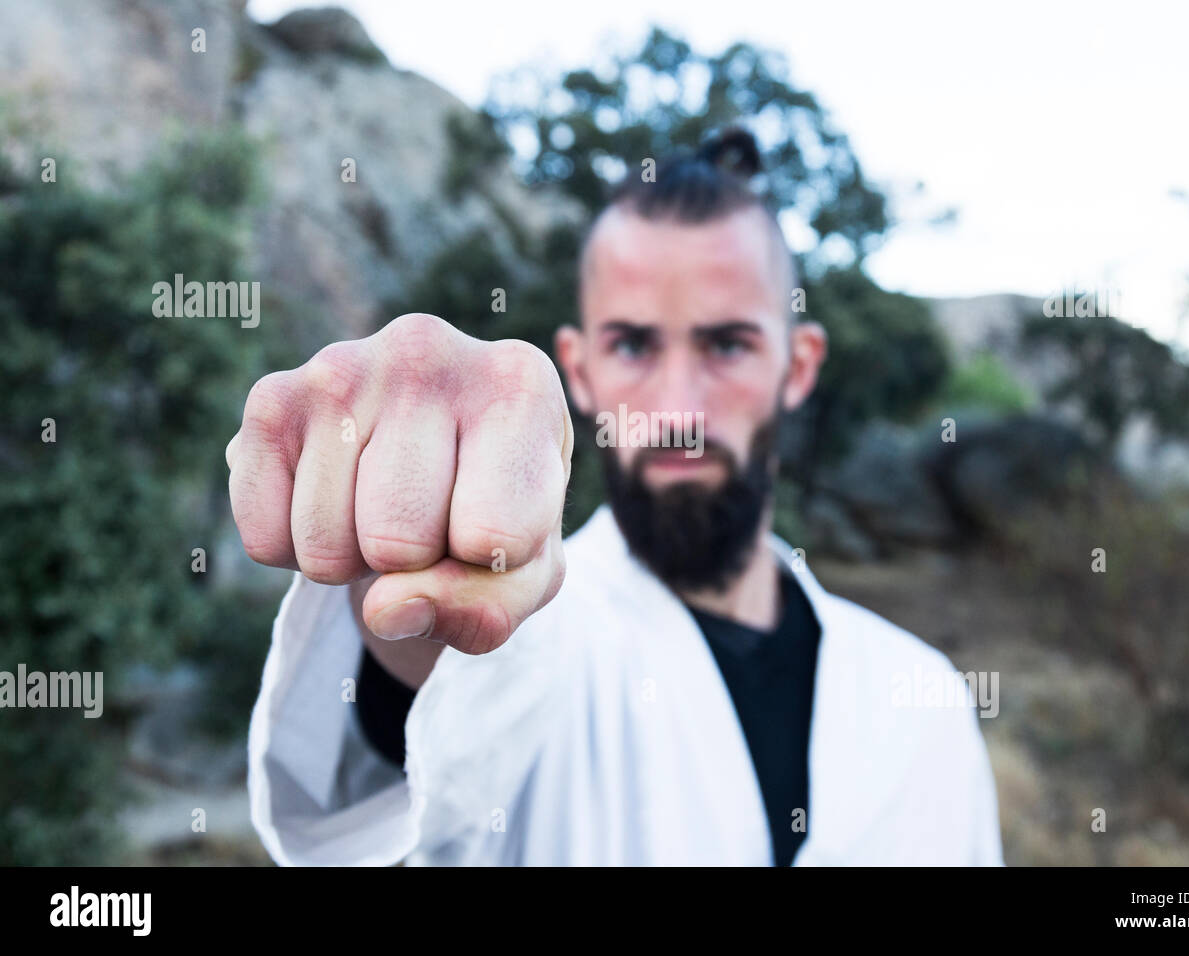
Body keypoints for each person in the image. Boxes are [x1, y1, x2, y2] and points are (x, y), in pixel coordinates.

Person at [229, 128, 1003, 866]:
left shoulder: (925, 702)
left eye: (728, 344)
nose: (675, 407)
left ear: (798, 367)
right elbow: (444, 703)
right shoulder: (540, 635)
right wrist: (410, 562)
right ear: (581, 370)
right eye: (632, 344)